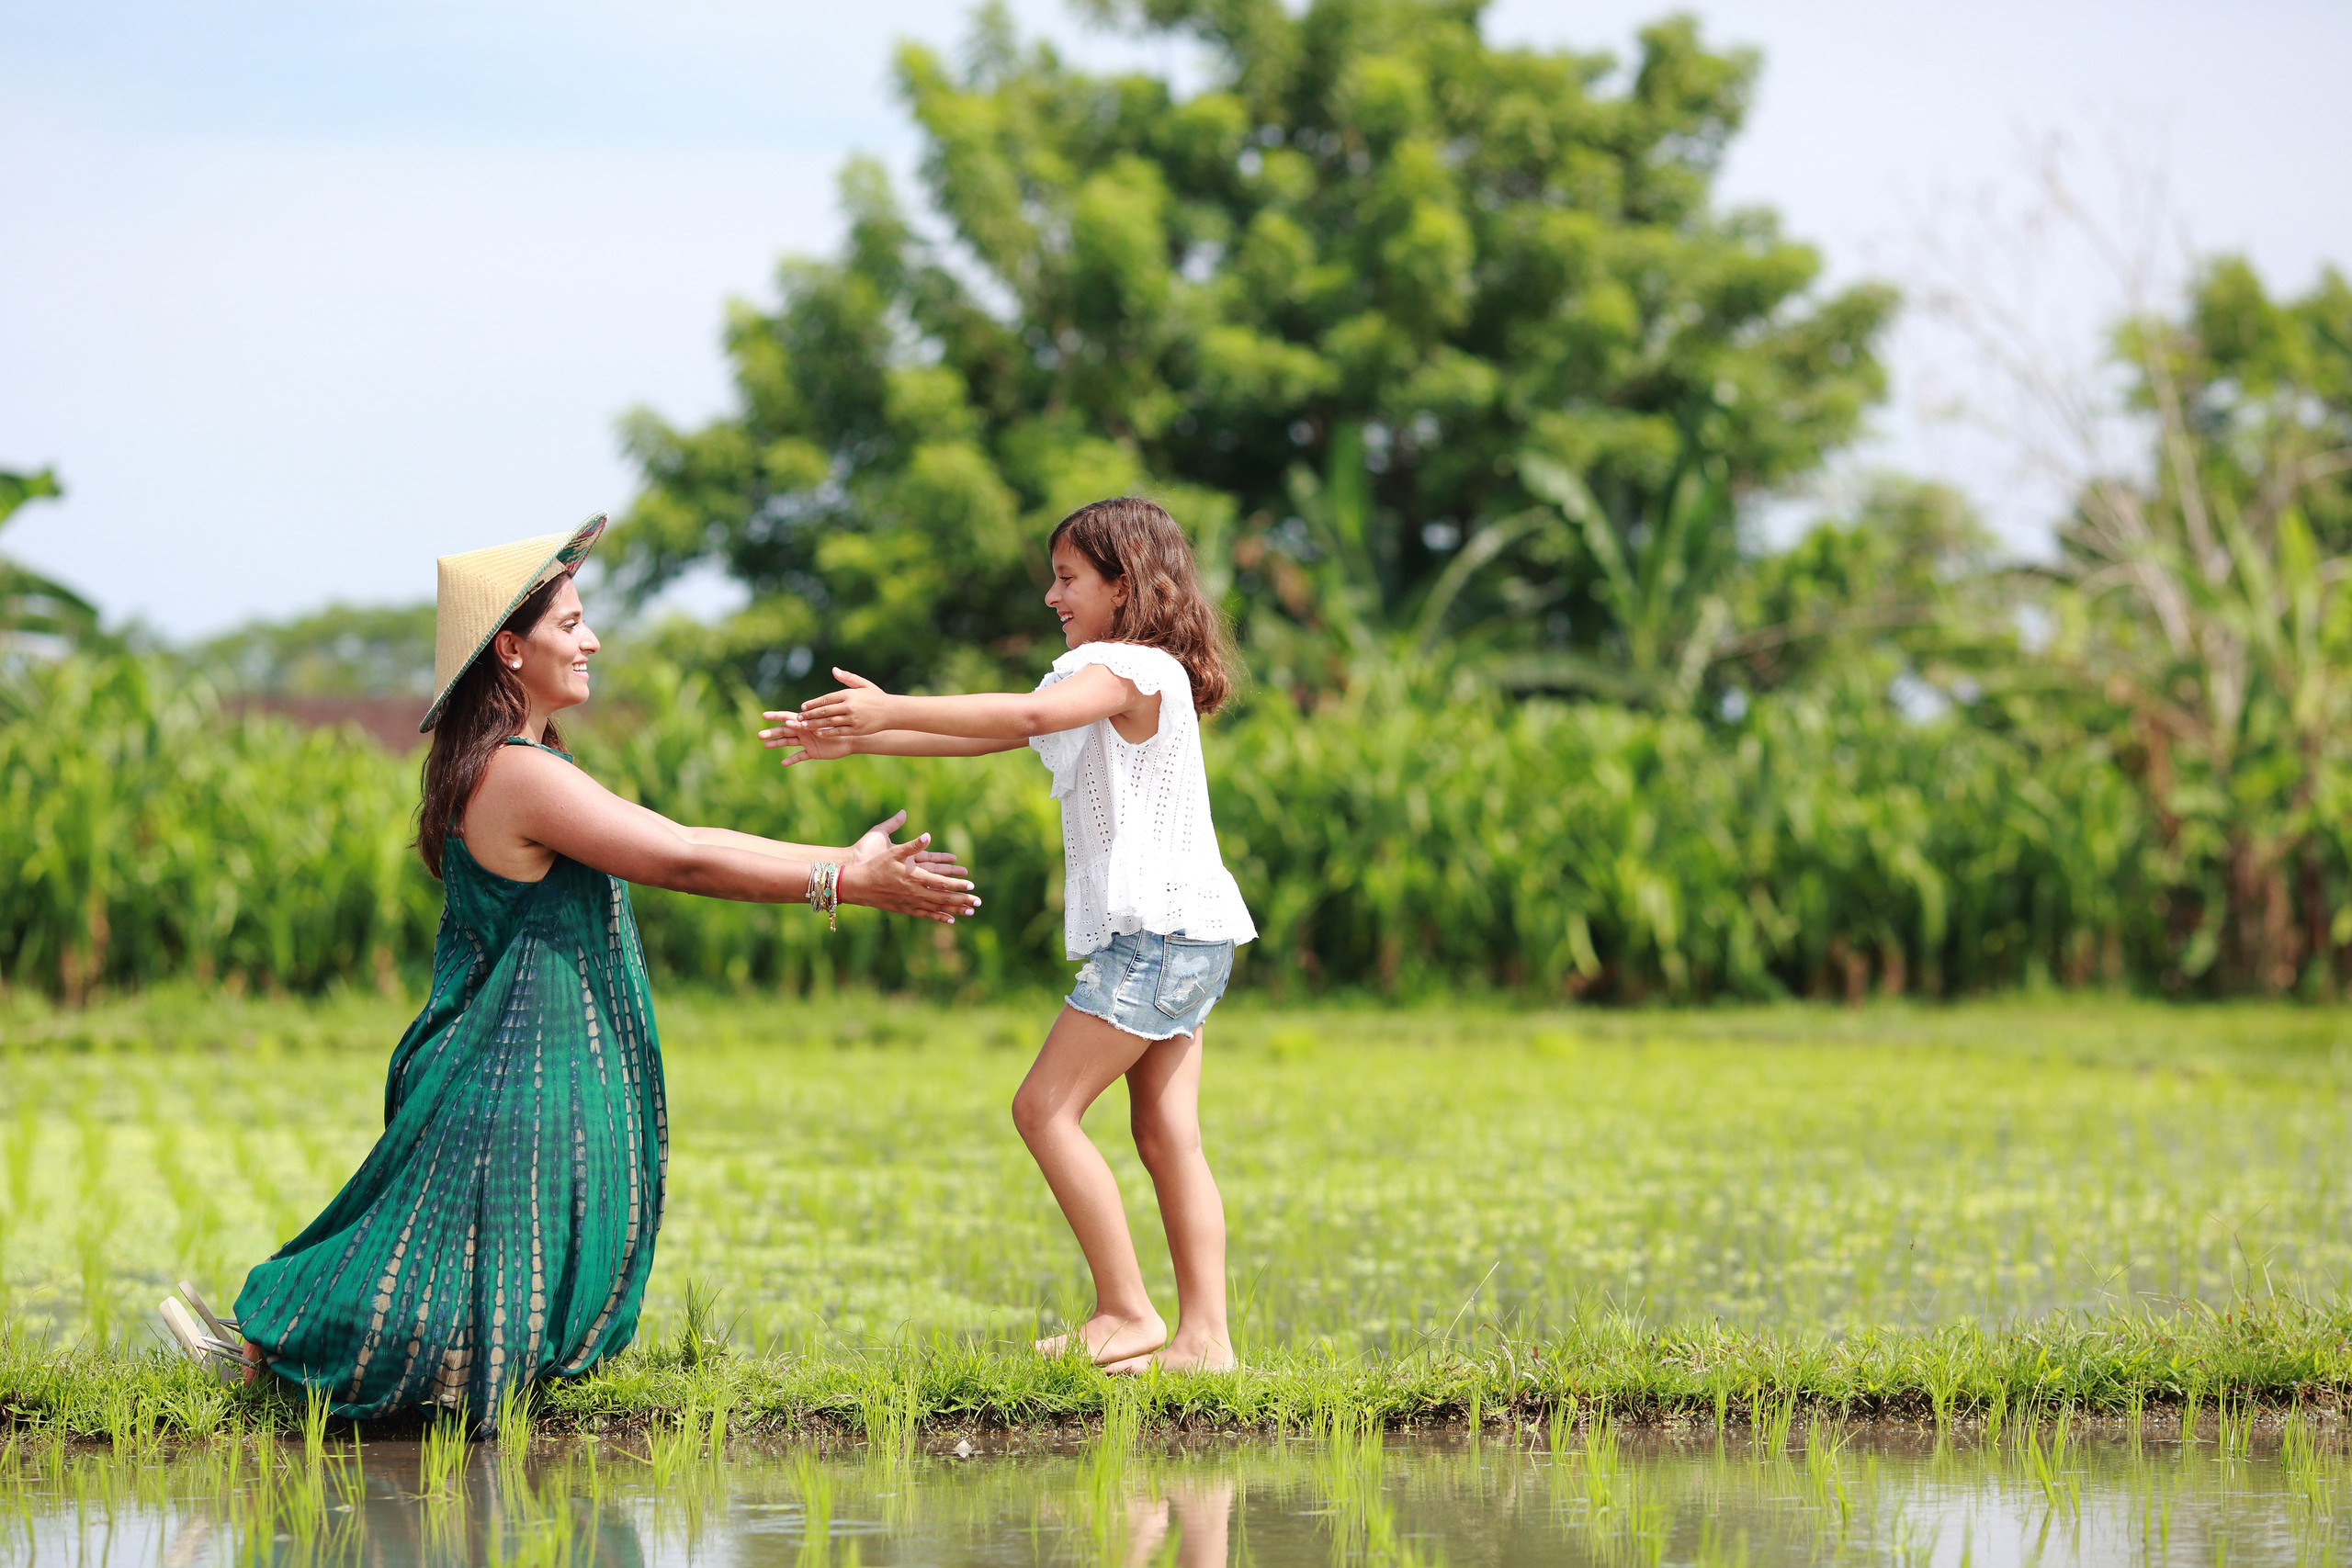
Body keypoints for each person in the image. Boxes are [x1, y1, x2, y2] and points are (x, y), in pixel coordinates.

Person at [157, 514, 980, 1420]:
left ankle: (265, 1356)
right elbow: (681, 856)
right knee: (429, 1301)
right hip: (503, 1074)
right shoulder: (517, 775)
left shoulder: (531, 762)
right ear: (510, 649)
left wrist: (844, 870)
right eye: (569, 624)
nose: (590, 640)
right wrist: (843, 877)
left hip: (507, 1065)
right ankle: (263, 1359)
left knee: (451, 1288)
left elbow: (682, 839)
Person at [761, 497, 1254, 1372]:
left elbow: (1022, 720)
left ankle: (1125, 1311)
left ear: (1123, 584)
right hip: (1191, 933)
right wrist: (869, 735)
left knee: (1043, 1108)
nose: (1052, 597)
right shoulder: (1120, 675)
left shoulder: (1130, 668)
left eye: (1068, 579)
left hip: (1154, 941)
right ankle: (1205, 1339)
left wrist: (888, 707)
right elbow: (989, 737)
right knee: (1167, 1136)